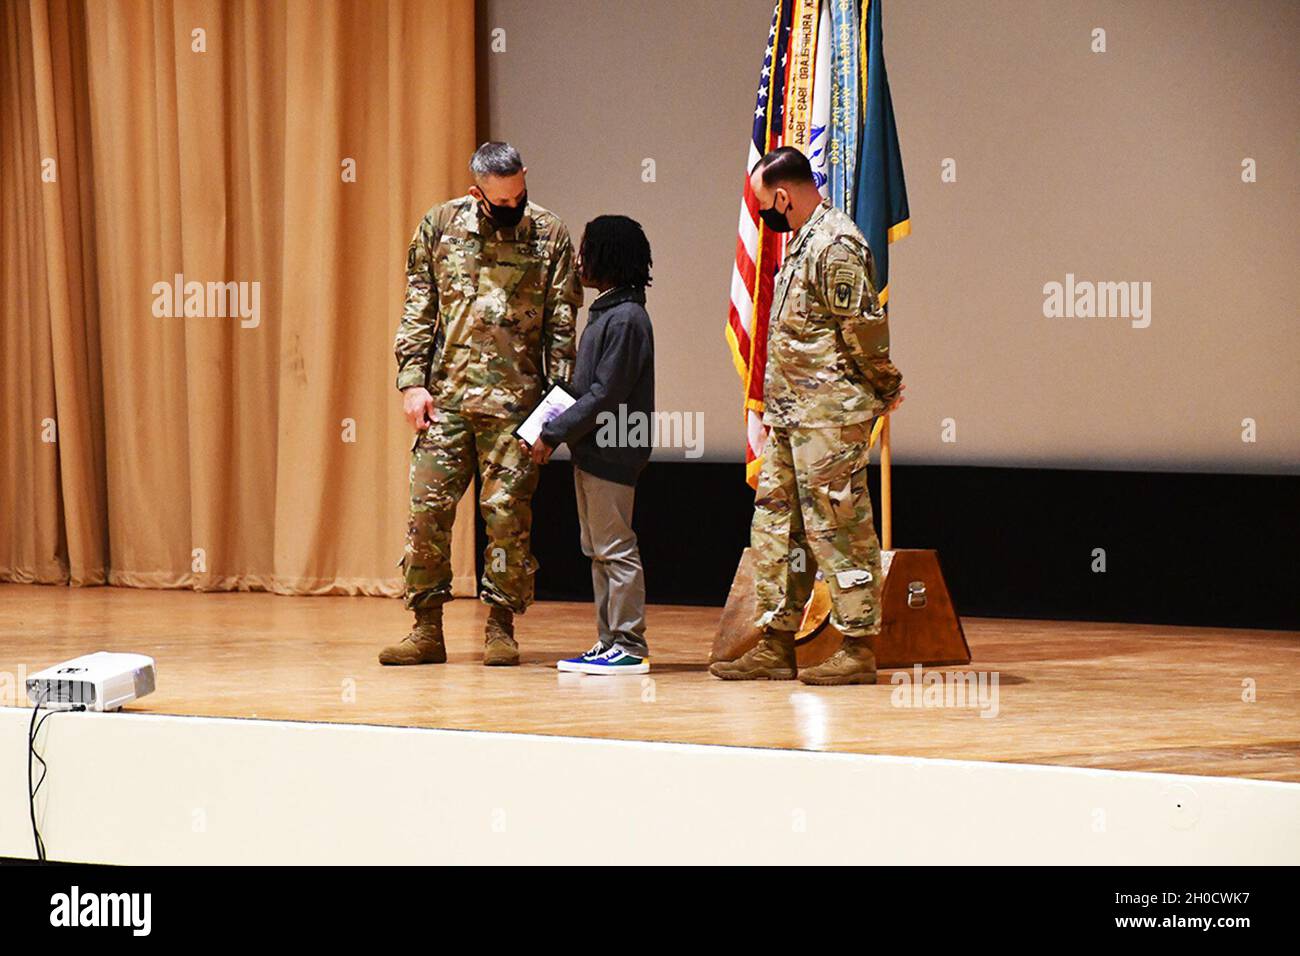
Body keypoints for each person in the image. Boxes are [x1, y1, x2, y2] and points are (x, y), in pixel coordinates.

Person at [380, 141, 581, 668]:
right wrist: (411, 383)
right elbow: (418, 307)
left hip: (517, 409)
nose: (512, 209)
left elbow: (563, 335)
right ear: (477, 193)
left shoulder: (550, 233)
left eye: (519, 197)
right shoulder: (440, 226)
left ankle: (501, 627)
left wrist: (551, 421)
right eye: (501, 203)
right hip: (445, 400)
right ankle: (426, 629)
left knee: (506, 519)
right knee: (426, 514)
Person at [710, 146, 905, 686]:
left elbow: (863, 328)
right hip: (792, 417)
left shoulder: (835, 242)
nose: (764, 217)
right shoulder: (803, 242)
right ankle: (775, 642)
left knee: (838, 527)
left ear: (781, 195)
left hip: (829, 418)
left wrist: (884, 384)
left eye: (762, 205)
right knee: (778, 528)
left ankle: (858, 645)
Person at [523, 215, 655, 675]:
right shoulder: (608, 313)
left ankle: (629, 644)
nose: (579, 258)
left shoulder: (627, 319)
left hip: (614, 449)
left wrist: (554, 431)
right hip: (593, 449)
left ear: (609, 256)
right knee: (597, 549)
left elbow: (605, 394)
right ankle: (609, 640)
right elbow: (584, 390)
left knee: (616, 547)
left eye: (587, 248)